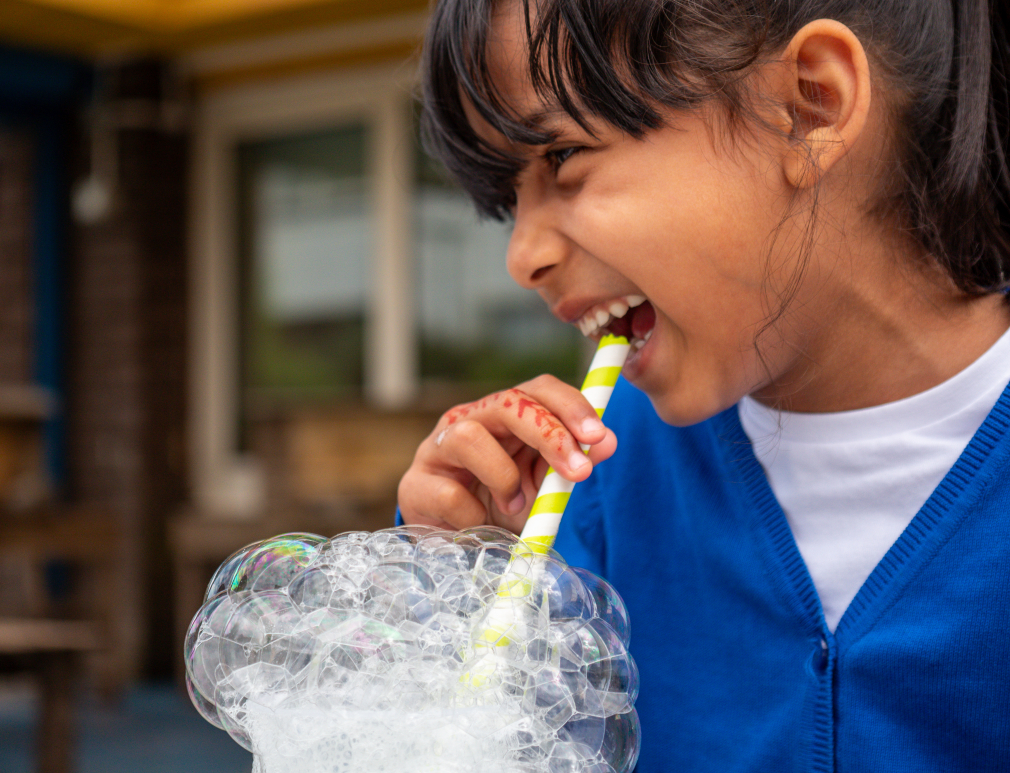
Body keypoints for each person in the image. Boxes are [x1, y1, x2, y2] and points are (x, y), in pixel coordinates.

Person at [397, 0, 1010, 769]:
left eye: (560, 157)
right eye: (505, 201)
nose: (522, 257)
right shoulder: (583, 489)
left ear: (808, 106)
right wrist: (449, 585)